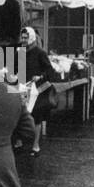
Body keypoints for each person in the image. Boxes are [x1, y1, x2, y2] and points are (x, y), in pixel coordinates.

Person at [20, 26, 58, 156]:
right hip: (23, 88)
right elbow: (14, 67)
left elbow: (50, 71)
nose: (23, 40)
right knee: (20, 115)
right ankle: (19, 141)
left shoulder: (40, 53)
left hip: (37, 91)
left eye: (26, 38)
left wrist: (40, 77)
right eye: (22, 37)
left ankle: (35, 146)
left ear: (31, 38)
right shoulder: (20, 52)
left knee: (36, 117)